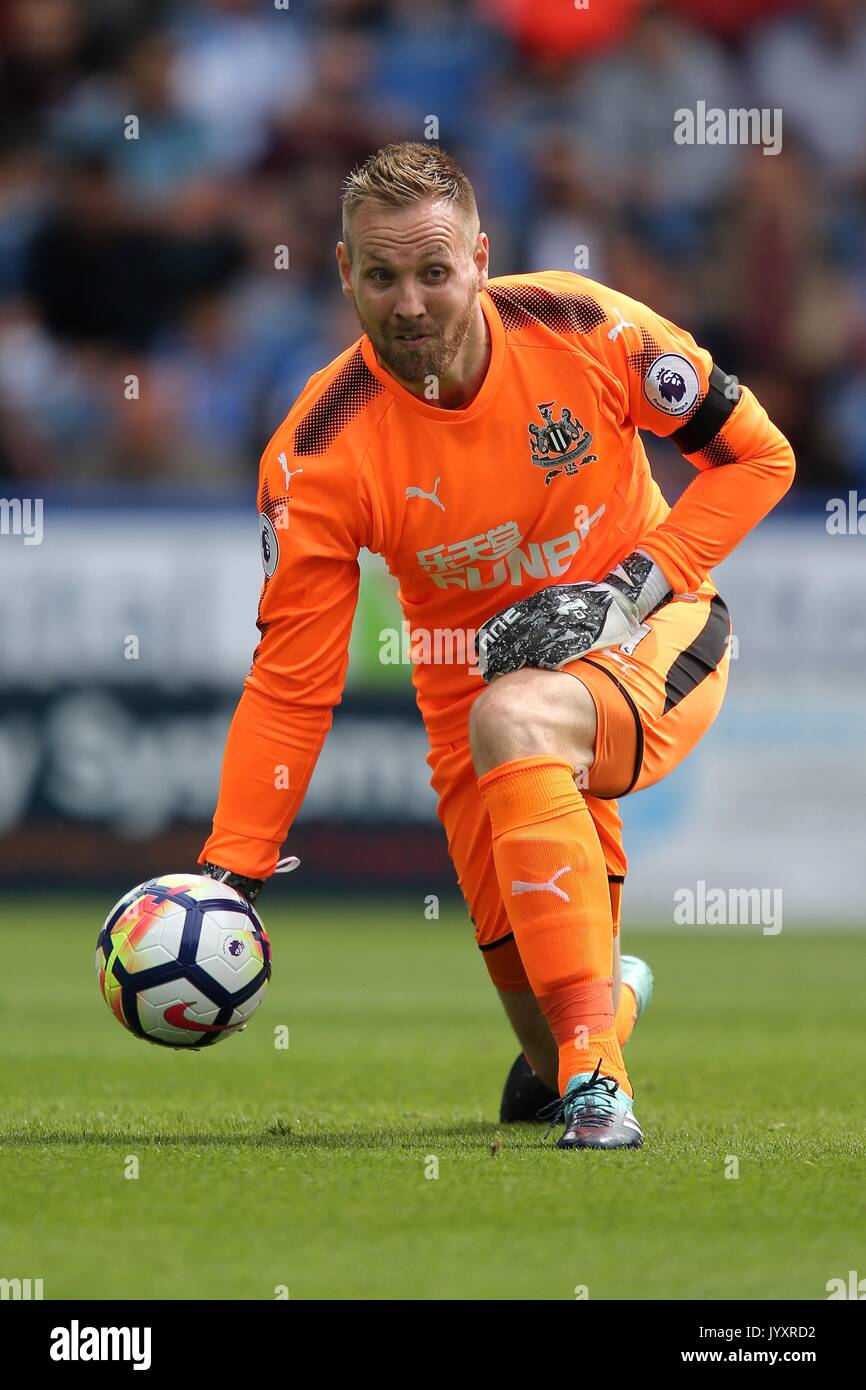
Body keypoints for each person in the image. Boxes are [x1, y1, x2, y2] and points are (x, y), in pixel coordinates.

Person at [199, 141, 795, 1149]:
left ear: (479, 257)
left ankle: (603, 1088)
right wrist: (228, 874)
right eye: (381, 277)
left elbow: (757, 457)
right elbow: (293, 685)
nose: (411, 303)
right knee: (541, 1048)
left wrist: (621, 591)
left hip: (654, 628)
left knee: (512, 714)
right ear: (343, 274)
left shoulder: (582, 324)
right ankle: (592, 1028)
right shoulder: (318, 453)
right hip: (468, 716)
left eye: (434, 272)